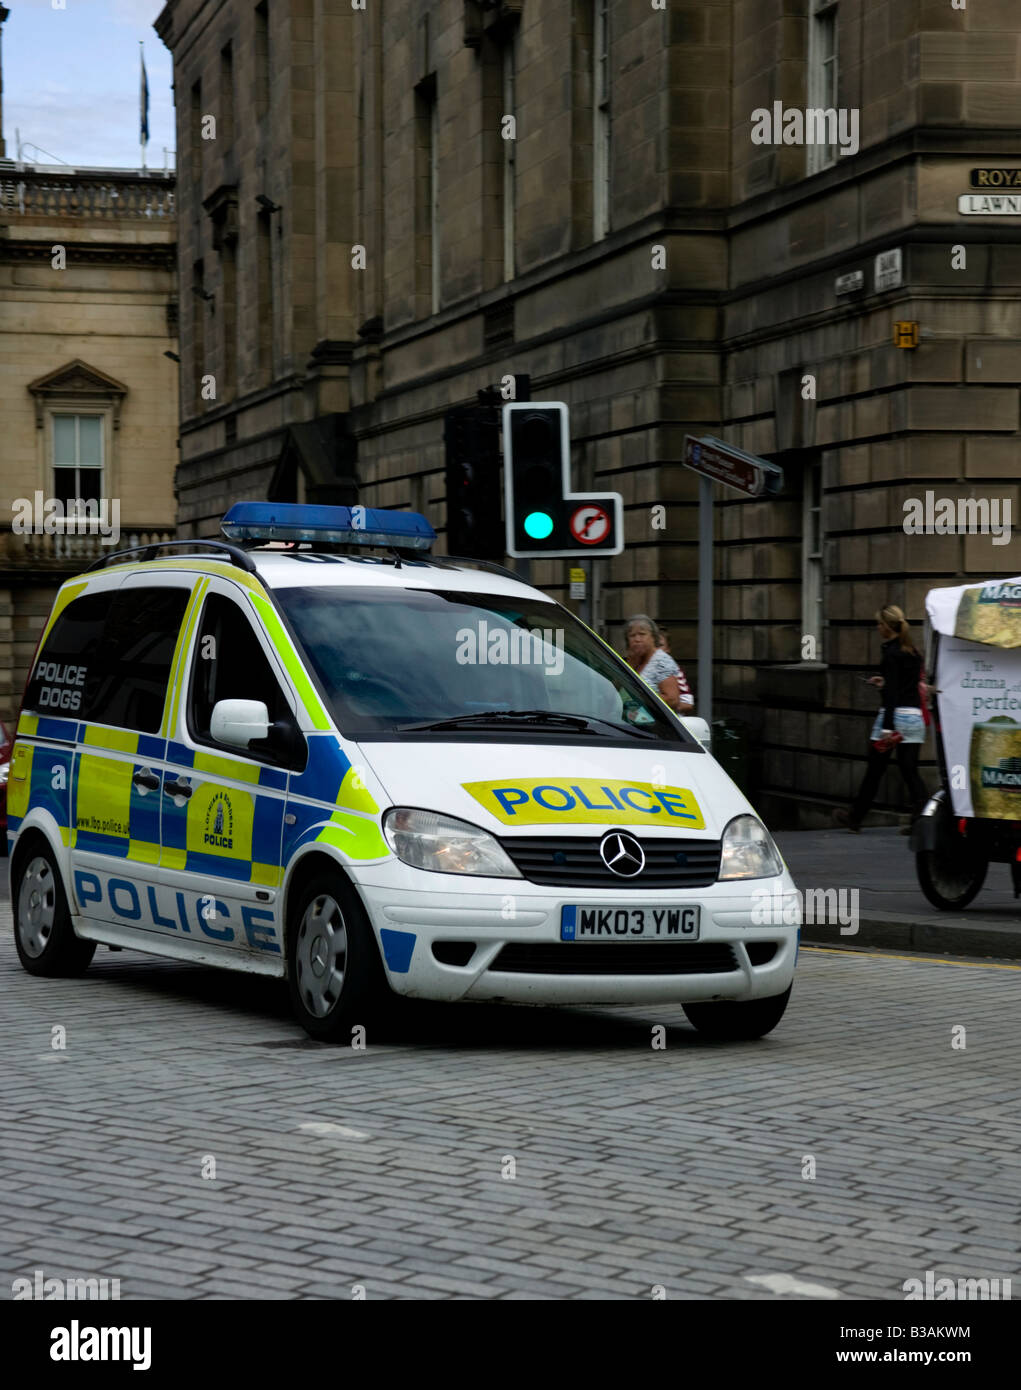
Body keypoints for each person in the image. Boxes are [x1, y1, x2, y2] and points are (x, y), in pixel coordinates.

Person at [834, 604, 928, 833]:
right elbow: (908, 687)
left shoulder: (890, 654)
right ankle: (924, 818)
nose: (877, 627)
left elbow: (894, 693)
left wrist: (887, 728)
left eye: (879, 623)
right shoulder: (913, 652)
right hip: (913, 718)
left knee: (875, 770)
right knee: (910, 770)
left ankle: (855, 817)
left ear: (887, 627)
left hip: (894, 717)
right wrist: (884, 682)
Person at [623, 614, 693, 713]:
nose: (637, 639)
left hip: (656, 725)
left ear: (653, 637)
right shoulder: (633, 660)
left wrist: (640, 701)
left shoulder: (662, 661)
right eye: (632, 635)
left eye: (642, 634)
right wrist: (630, 666)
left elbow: (672, 700)